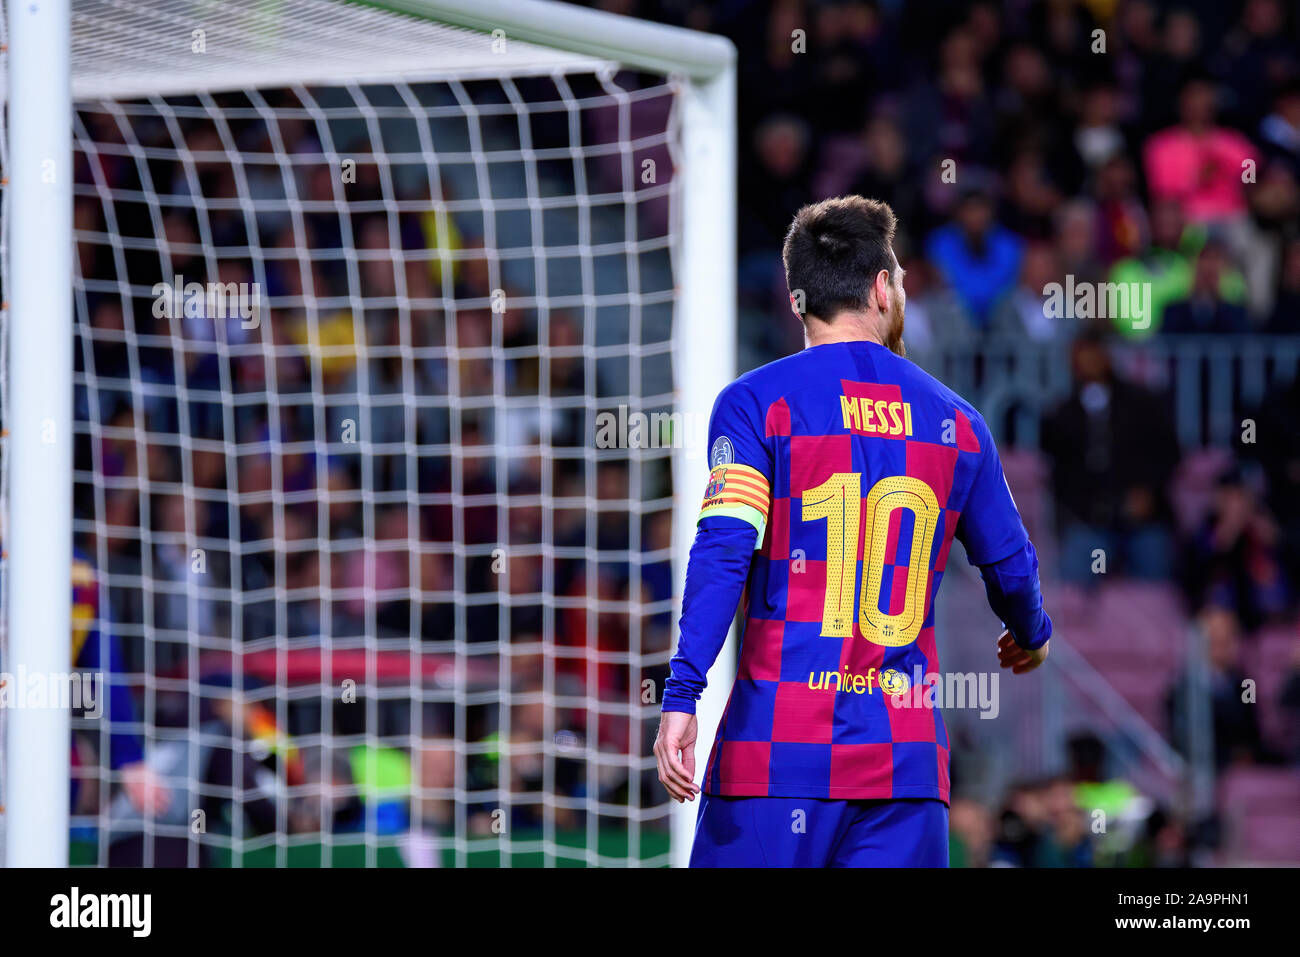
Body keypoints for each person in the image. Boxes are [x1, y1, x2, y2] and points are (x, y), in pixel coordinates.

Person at [653, 197, 1053, 867]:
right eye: (896, 278)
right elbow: (1011, 565)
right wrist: (1032, 633)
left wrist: (683, 691)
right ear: (879, 288)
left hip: (777, 760)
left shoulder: (757, 403)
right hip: (905, 772)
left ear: (796, 297)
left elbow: (723, 552)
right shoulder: (957, 423)